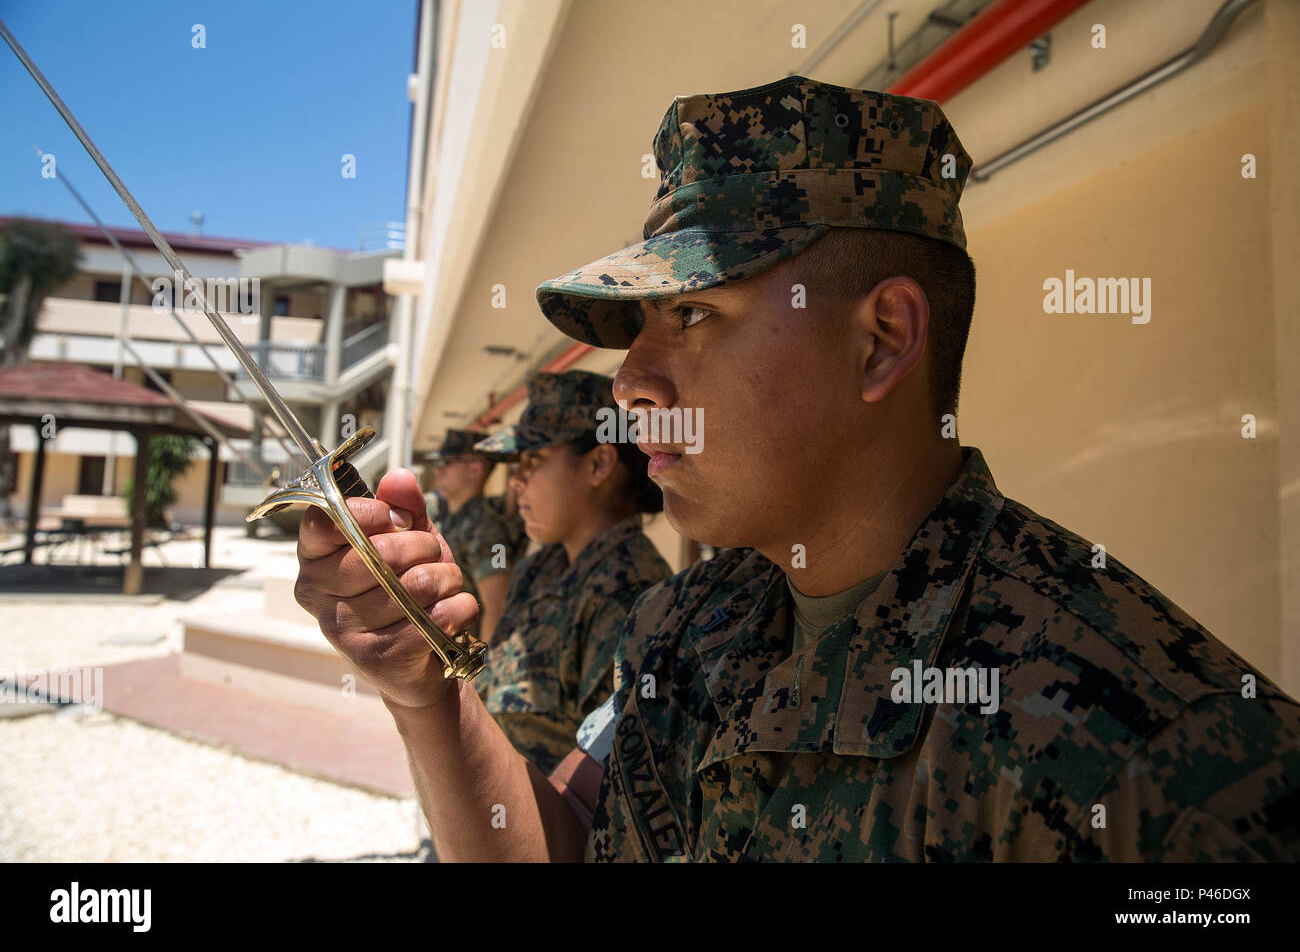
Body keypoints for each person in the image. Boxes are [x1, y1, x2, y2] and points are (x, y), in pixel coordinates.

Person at [293, 75, 1300, 861]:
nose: (632, 380)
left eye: (693, 312)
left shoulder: (1158, 752)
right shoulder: (687, 623)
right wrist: (426, 696)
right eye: (641, 327)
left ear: (881, 340)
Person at [467, 369, 671, 774]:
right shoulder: (542, 567)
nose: (516, 481)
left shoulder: (631, 596)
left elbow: (604, 781)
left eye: (535, 459)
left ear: (598, 464)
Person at [425, 429, 513, 644]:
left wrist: (486, 664)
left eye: (446, 462)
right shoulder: (443, 514)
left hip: (464, 653)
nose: (438, 470)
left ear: (475, 469)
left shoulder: (487, 530)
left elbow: (497, 608)